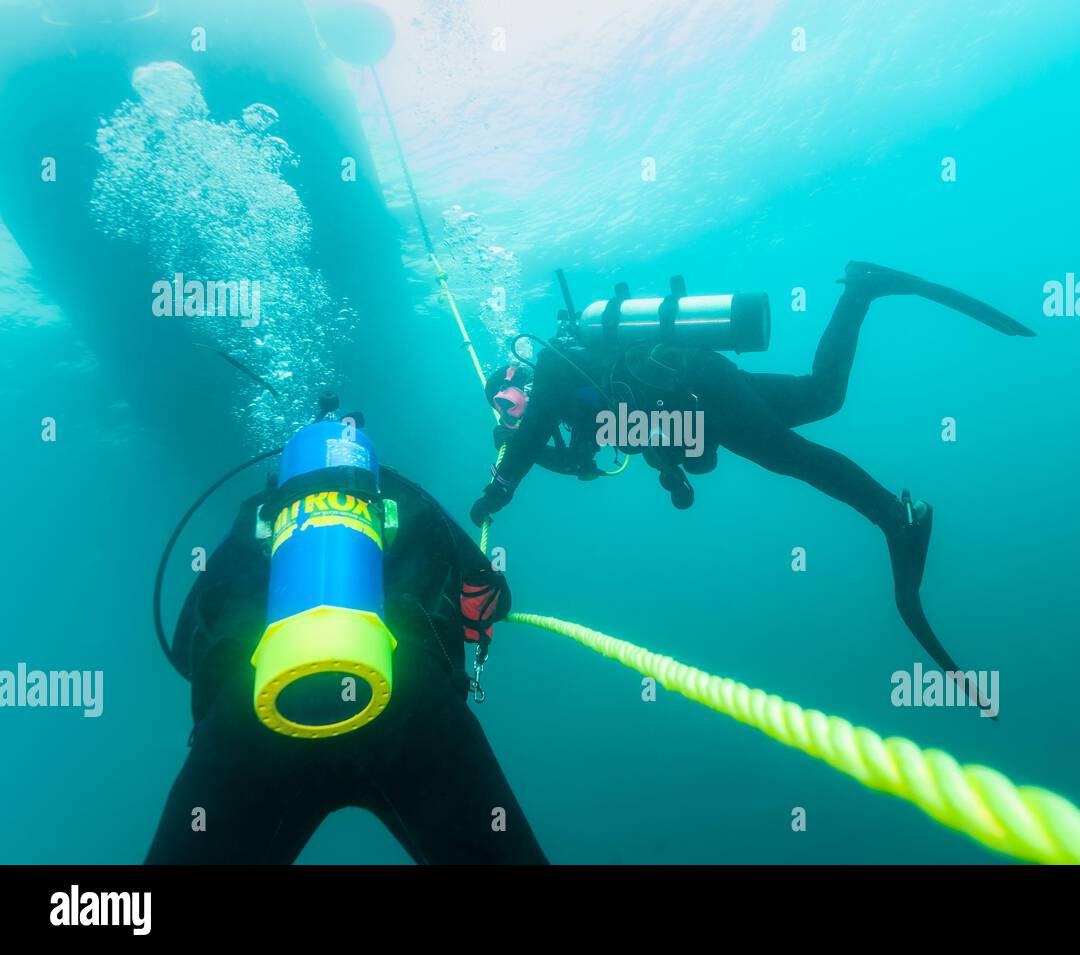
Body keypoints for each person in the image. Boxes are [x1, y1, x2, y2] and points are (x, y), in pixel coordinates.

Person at [471, 262, 1032, 693]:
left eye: (506, 401)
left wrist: (500, 486)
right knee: (822, 396)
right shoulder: (569, 395)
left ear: (518, 376)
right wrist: (518, 448)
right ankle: (862, 289)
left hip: (702, 390)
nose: (510, 412)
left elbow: (538, 434)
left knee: (789, 455)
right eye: (502, 412)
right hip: (701, 390)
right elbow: (579, 464)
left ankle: (897, 517)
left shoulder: (549, 373)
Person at [146, 464, 547, 864]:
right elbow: (490, 591)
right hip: (408, 692)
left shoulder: (252, 517)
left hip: (254, 705)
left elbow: (185, 646)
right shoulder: (406, 495)